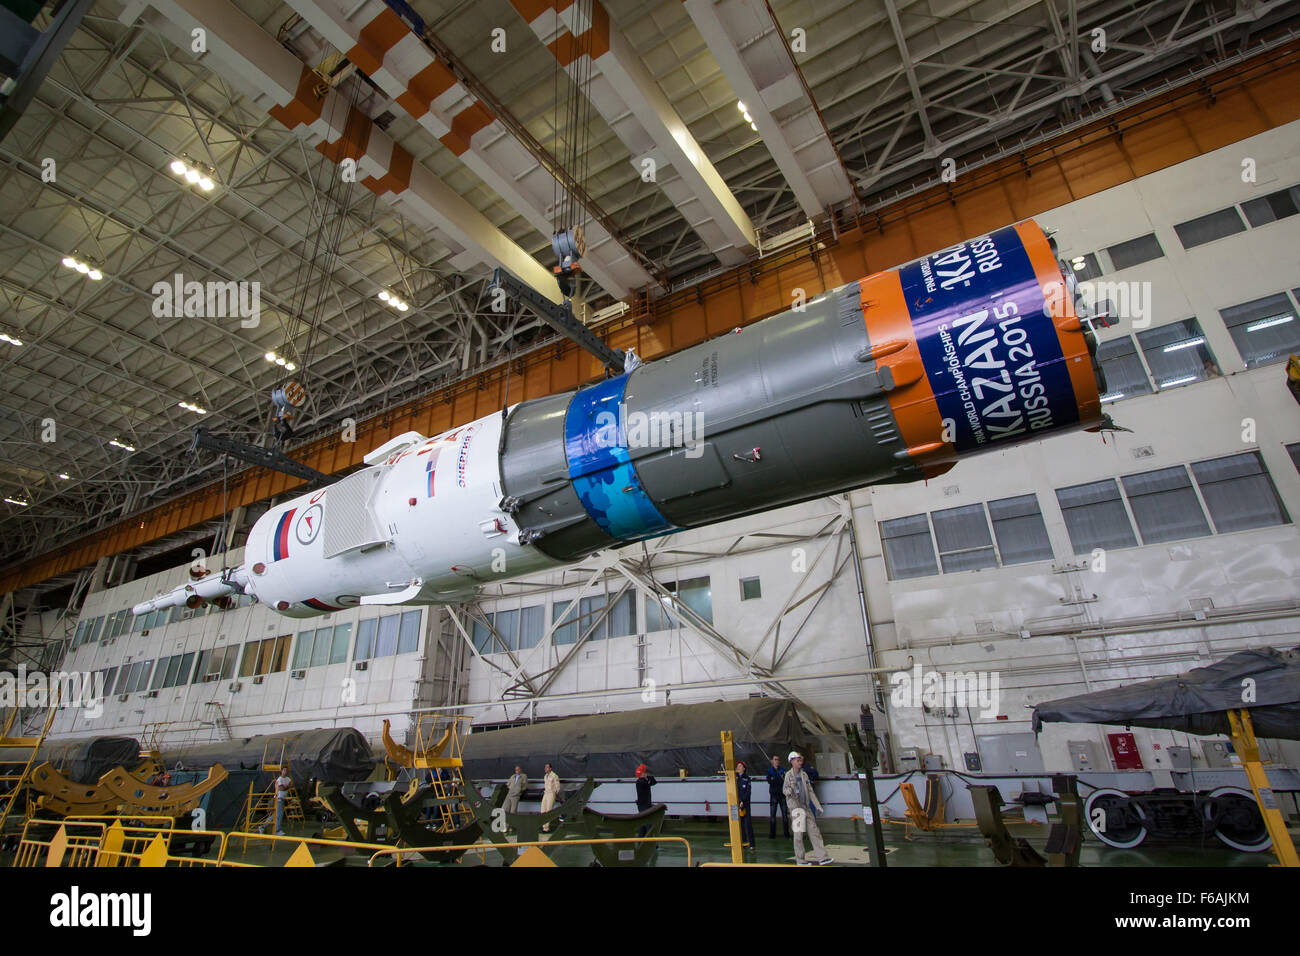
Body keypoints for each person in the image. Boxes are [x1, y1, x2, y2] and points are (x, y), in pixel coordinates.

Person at [783, 751, 832, 865]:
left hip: (806, 807)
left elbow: (810, 792)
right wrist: (789, 791)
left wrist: (818, 807)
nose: (800, 762)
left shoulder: (804, 775)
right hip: (796, 808)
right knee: (799, 834)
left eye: (801, 760)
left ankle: (823, 857)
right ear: (792, 761)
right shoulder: (788, 776)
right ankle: (800, 859)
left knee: (814, 832)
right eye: (798, 760)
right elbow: (784, 790)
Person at [766, 754, 791, 838]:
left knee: (785, 815)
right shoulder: (770, 771)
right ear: (772, 761)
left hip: (782, 795)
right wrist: (777, 779)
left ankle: (786, 834)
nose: (777, 761)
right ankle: (772, 834)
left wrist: (776, 779)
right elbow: (770, 781)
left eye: (778, 760)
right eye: (775, 759)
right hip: (773, 795)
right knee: (772, 815)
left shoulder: (783, 770)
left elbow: (784, 781)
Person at [735, 760, 756, 850]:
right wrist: (738, 801)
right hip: (737, 804)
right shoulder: (735, 779)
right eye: (737, 766)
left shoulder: (747, 779)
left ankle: (752, 843)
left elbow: (748, 791)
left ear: (744, 768)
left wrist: (743, 801)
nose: (738, 768)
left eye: (740, 766)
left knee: (748, 824)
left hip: (746, 804)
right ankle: (743, 842)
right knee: (740, 825)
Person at [634, 764, 657, 838]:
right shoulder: (640, 782)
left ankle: (640, 842)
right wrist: (647, 778)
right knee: (648, 824)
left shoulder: (643, 780)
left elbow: (654, 781)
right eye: (644, 772)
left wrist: (647, 777)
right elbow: (649, 783)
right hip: (643, 805)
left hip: (646, 804)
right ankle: (652, 842)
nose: (646, 773)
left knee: (643, 825)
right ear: (642, 773)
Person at [540, 763, 561, 832]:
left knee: (548, 810)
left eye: (547, 767)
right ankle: (543, 826)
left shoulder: (554, 776)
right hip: (546, 793)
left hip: (551, 794)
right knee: (543, 810)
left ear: (550, 768)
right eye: (545, 767)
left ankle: (546, 828)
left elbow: (557, 787)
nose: (545, 769)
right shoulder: (545, 776)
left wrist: (554, 793)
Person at [274, 766, 293, 836]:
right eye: (284, 770)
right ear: (281, 771)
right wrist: (286, 787)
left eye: (286, 770)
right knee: (280, 814)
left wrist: (286, 787)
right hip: (278, 798)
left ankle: (263, 827)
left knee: (275, 815)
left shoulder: (288, 779)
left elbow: (291, 785)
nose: (285, 772)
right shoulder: (279, 779)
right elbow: (281, 788)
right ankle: (277, 830)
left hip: (283, 798)